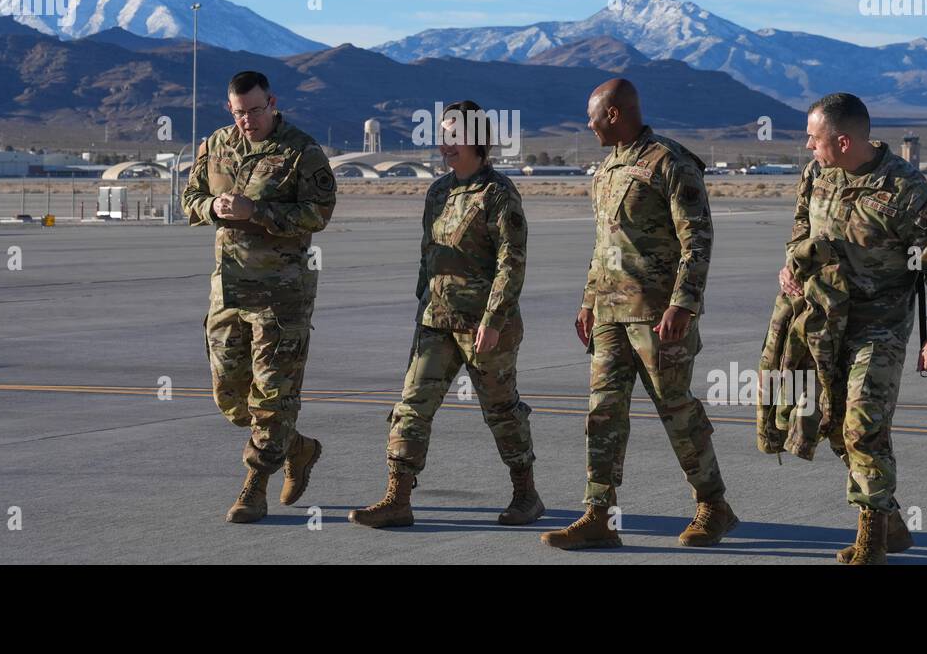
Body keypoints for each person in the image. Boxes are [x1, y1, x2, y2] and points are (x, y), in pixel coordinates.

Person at [542, 78, 737, 550]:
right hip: (610, 314)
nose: (587, 126)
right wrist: (589, 300)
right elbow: (604, 244)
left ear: (613, 114)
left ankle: (713, 505)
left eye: (592, 117)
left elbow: (698, 240)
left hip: (657, 314)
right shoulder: (606, 169)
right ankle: (599, 514)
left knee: (676, 410)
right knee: (602, 412)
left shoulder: (670, 162)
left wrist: (683, 303)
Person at [780, 92, 927, 563]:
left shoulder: (907, 191)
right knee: (834, 424)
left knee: (865, 425)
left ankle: (872, 539)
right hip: (825, 319)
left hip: (879, 325)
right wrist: (792, 265)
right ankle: (892, 522)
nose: (808, 146)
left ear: (843, 140)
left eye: (813, 138)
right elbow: (801, 229)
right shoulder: (816, 175)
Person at [349, 100, 542, 528]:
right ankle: (397, 498)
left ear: (477, 140)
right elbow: (427, 256)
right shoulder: (438, 190)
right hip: (436, 322)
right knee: (411, 406)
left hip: (483, 327)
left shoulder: (498, 193)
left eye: (453, 136)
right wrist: (423, 304)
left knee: (501, 411)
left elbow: (512, 263)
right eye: (442, 135)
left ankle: (526, 495)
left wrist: (493, 321)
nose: (444, 144)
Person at [182, 70, 336, 523]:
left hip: (281, 296)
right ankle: (299, 447)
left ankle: (254, 487)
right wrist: (212, 206)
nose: (247, 120)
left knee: (272, 398)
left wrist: (258, 212)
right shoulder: (216, 145)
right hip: (227, 291)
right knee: (231, 398)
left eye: (254, 110)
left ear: (272, 102)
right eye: (238, 112)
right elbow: (190, 196)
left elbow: (319, 213)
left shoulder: (301, 151)